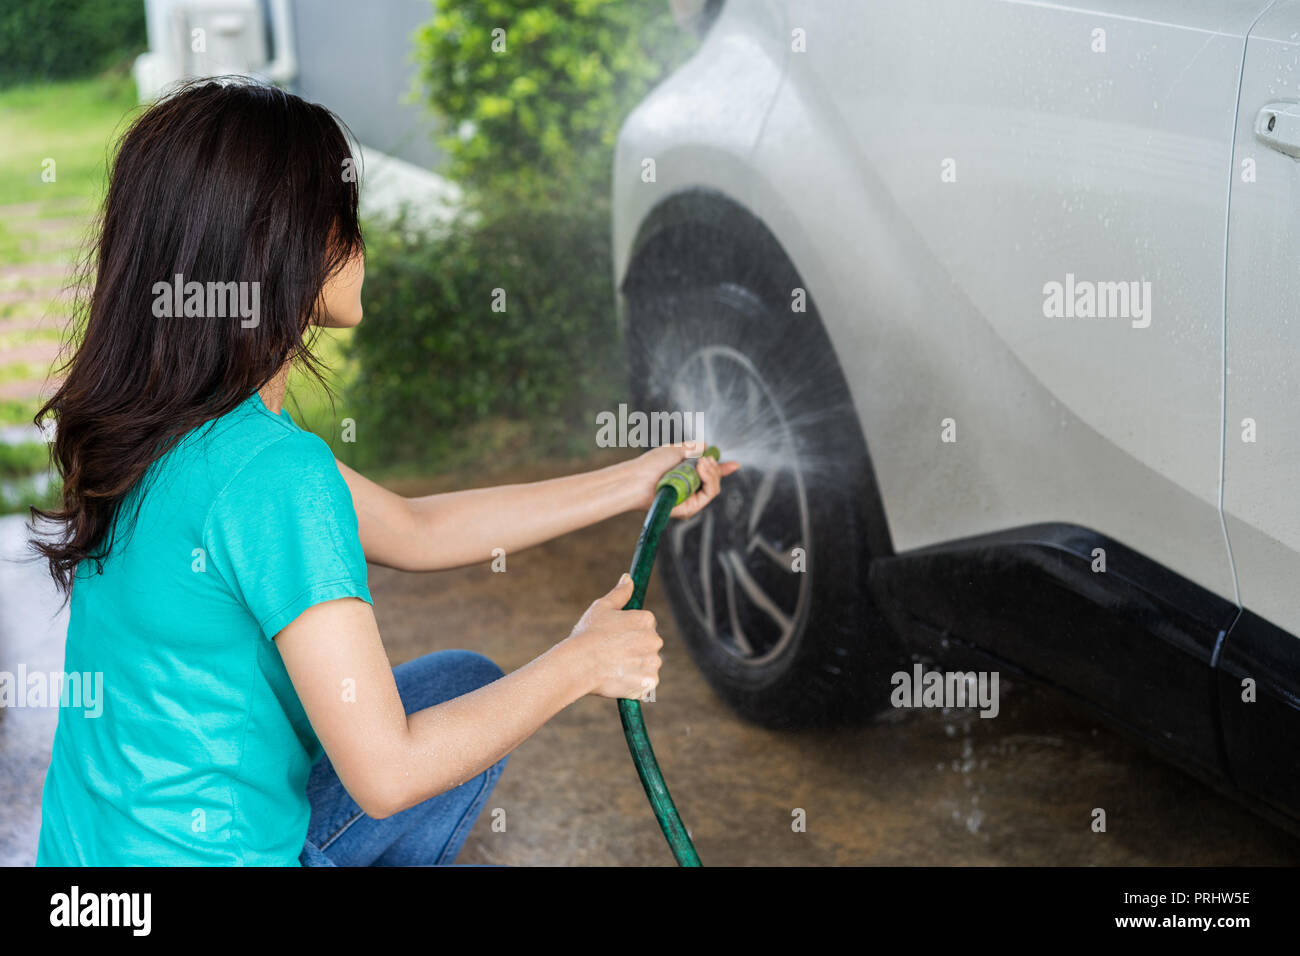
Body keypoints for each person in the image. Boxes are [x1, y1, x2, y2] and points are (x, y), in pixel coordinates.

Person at [30, 78, 737, 866]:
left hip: (87, 874)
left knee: (460, 683)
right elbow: (388, 775)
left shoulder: (152, 427)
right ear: (285, 248)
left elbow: (416, 526)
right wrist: (581, 661)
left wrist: (636, 481)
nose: (360, 239)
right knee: (427, 727)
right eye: (344, 216)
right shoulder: (272, 476)